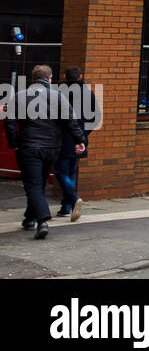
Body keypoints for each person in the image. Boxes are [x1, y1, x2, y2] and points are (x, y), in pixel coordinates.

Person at [1, 65, 85, 239]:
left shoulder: (20, 96)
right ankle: (29, 218)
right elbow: (71, 121)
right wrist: (79, 140)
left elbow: (9, 122)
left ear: (34, 79)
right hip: (52, 149)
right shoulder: (58, 97)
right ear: (49, 79)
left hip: (29, 148)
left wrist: (14, 143)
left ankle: (42, 220)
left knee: (33, 185)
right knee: (38, 183)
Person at [54, 67, 95, 221]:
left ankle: (73, 199)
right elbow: (94, 118)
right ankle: (66, 207)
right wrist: (83, 135)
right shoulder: (88, 94)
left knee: (61, 172)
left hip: (63, 139)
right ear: (81, 77)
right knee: (71, 171)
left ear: (65, 76)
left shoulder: (60, 94)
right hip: (79, 140)